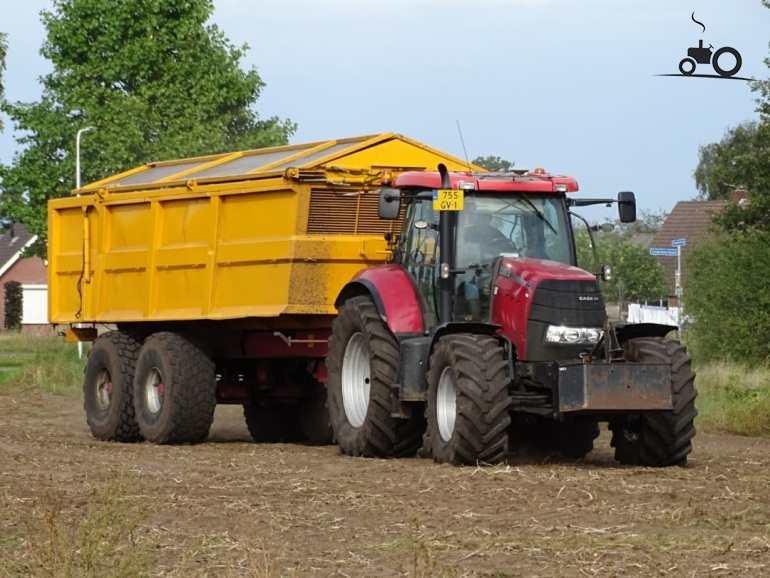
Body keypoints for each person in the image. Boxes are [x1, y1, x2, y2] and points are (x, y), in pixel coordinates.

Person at [458, 213, 517, 320]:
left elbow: (507, 249)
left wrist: (494, 254)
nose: (482, 220)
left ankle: (501, 315)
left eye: (485, 218)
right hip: (470, 267)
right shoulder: (467, 233)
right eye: (480, 218)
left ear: (489, 219)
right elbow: (459, 249)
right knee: (470, 284)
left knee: (502, 282)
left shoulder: (496, 233)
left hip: (491, 268)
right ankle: (475, 315)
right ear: (475, 219)